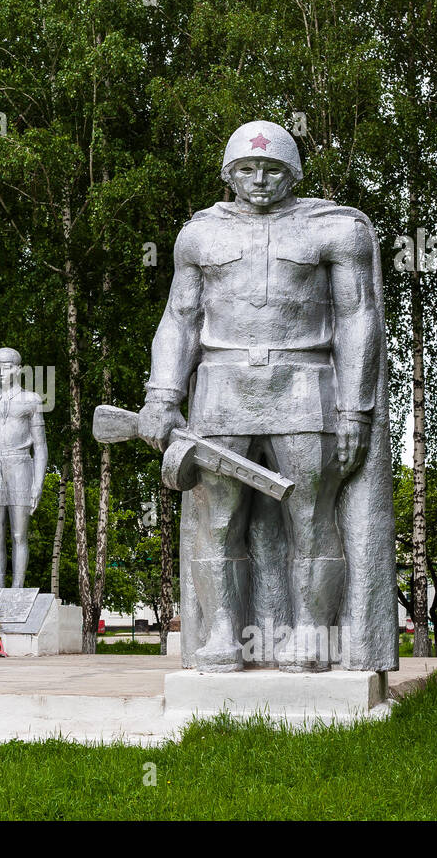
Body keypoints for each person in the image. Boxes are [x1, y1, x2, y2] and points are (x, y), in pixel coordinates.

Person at [136, 120, 385, 672]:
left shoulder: (335, 230)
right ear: (229, 173)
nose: (259, 180)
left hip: (305, 386)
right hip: (221, 390)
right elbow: (178, 319)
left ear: (292, 172)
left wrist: (355, 409)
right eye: (246, 169)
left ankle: (311, 634)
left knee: (311, 518)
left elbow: (357, 318)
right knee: (217, 520)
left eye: (273, 169)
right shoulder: (199, 234)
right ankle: (224, 630)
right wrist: (162, 396)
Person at [0, 348, 47, 588]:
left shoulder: (32, 400)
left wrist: (37, 484)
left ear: (18, 369)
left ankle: (17, 589)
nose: (1, 371)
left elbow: (40, 446)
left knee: (19, 534)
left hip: (20, 466)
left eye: (7, 366)